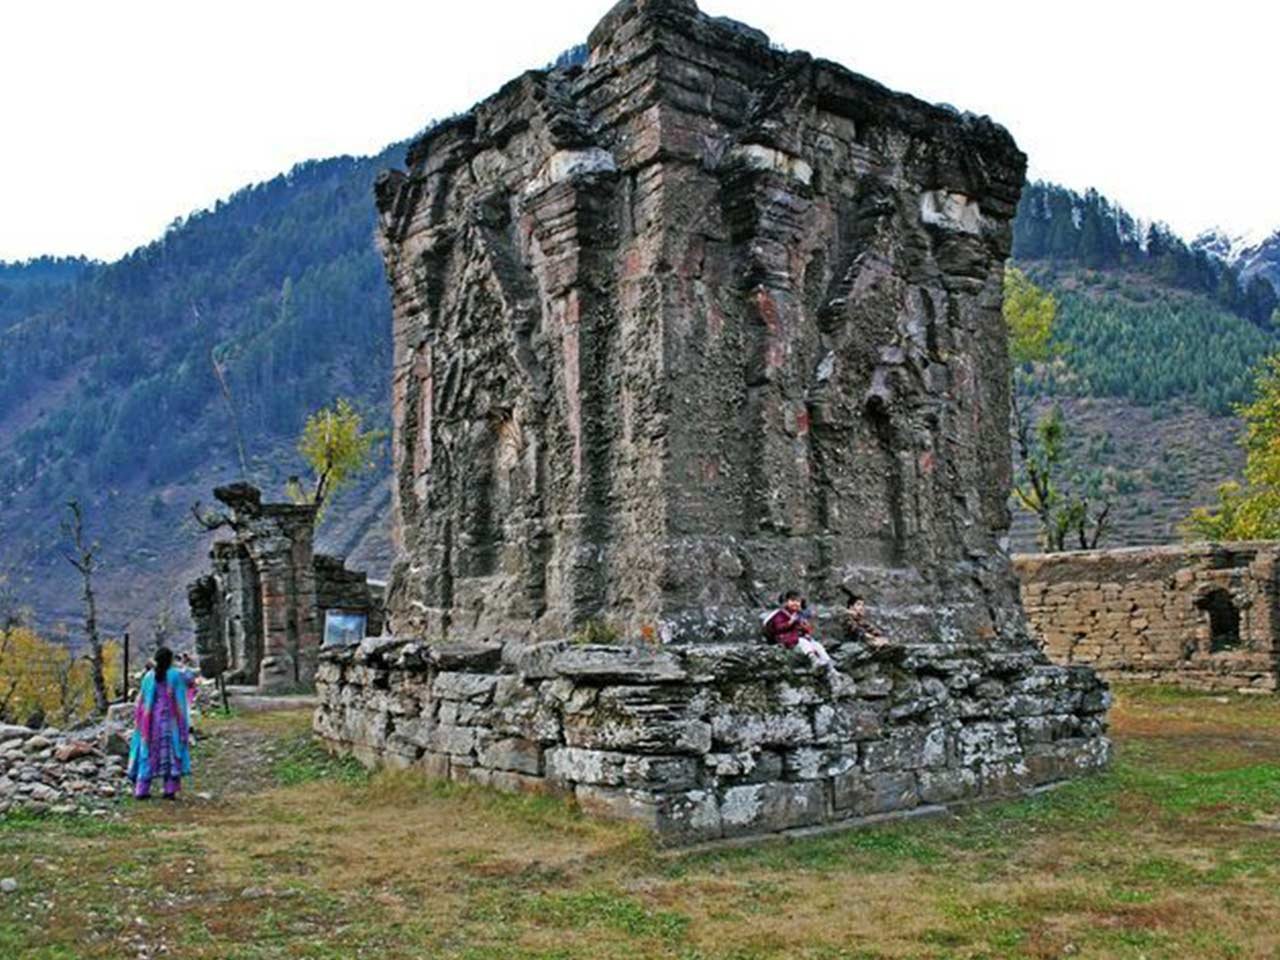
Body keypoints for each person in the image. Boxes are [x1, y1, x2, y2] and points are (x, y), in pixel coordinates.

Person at [127, 646, 193, 801]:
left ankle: (142, 790)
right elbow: (190, 681)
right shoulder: (175, 675)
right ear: (170, 660)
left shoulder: (149, 676)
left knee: (148, 752)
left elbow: (142, 701)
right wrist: (184, 664)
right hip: (171, 723)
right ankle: (169, 790)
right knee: (171, 754)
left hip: (151, 723)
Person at [761, 590, 834, 669]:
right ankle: (814, 660)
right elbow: (778, 628)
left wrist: (804, 627)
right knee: (803, 643)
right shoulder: (780, 614)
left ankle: (829, 665)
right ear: (786, 602)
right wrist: (789, 623)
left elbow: (808, 630)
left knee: (817, 645)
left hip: (798, 637)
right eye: (792, 601)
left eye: (798, 601)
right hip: (786, 638)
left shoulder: (799, 615)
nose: (795, 603)